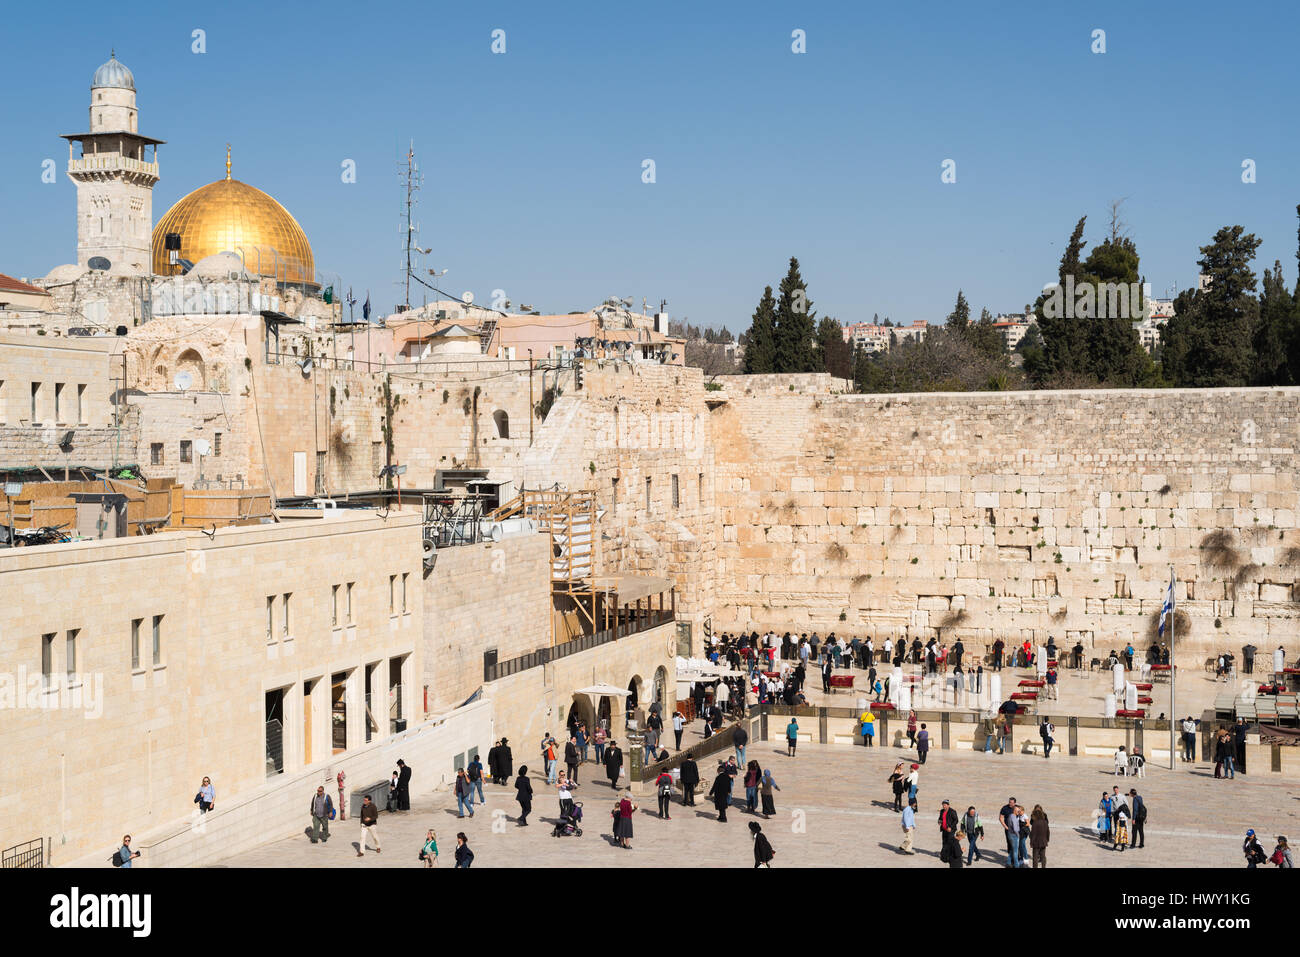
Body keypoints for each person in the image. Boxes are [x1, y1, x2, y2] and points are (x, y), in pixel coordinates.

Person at [938, 800, 961, 868]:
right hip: (944, 830)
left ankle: (948, 856)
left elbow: (956, 820)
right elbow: (940, 818)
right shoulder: (942, 811)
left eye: (945, 805)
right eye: (943, 805)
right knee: (944, 842)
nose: (944, 806)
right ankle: (944, 856)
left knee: (949, 843)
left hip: (951, 830)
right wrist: (939, 821)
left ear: (948, 805)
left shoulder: (952, 811)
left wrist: (950, 827)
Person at [999, 797, 1019, 867]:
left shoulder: (1017, 808)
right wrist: (1006, 827)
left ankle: (1011, 861)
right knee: (1010, 844)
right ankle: (1011, 861)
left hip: (1016, 830)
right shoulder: (1005, 808)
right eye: (1010, 802)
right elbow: (1001, 818)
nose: (1010, 804)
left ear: (1015, 803)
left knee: (1015, 847)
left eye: (1012, 803)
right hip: (1009, 830)